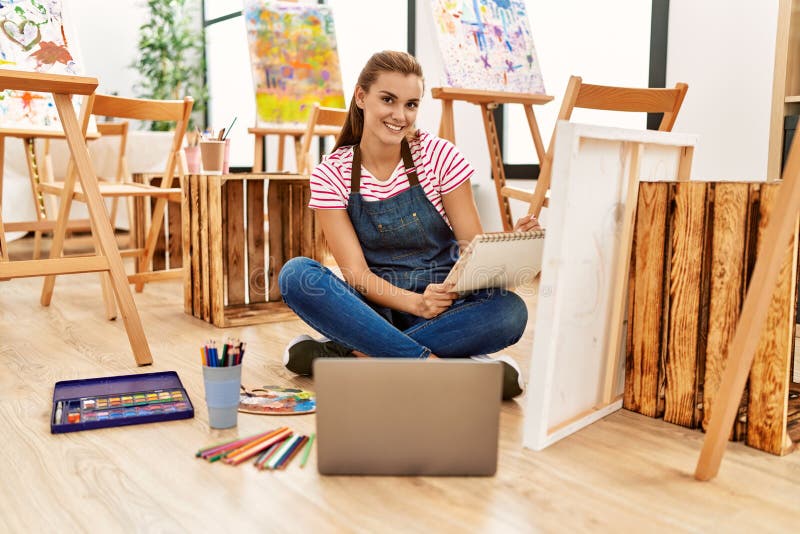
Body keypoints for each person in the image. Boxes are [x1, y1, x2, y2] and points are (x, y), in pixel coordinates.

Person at [278, 50, 540, 399]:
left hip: (445, 307)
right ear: (361, 97)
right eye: (388, 100)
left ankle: (356, 356)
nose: (400, 115)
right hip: (375, 309)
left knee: (510, 311)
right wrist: (416, 304)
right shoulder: (332, 173)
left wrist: (508, 245)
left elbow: (471, 249)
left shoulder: (440, 156)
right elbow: (356, 274)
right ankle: (435, 368)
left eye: (411, 104)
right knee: (296, 275)